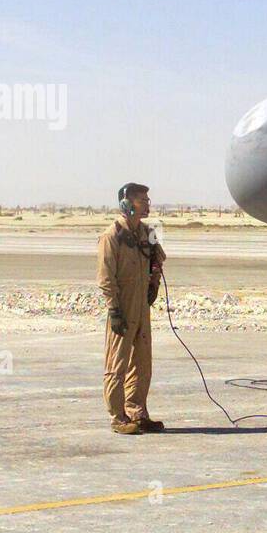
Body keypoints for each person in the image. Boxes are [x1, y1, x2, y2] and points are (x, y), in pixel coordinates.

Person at [97, 182, 166, 435]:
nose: (147, 204)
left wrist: (154, 283)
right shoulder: (112, 235)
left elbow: (158, 259)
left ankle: (138, 413)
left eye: (148, 199)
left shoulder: (148, 232)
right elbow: (105, 277)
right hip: (123, 307)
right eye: (142, 200)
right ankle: (118, 418)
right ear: (127, 204)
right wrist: (114, 310)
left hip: (141, 307)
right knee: (118, 364)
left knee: (142, 362)